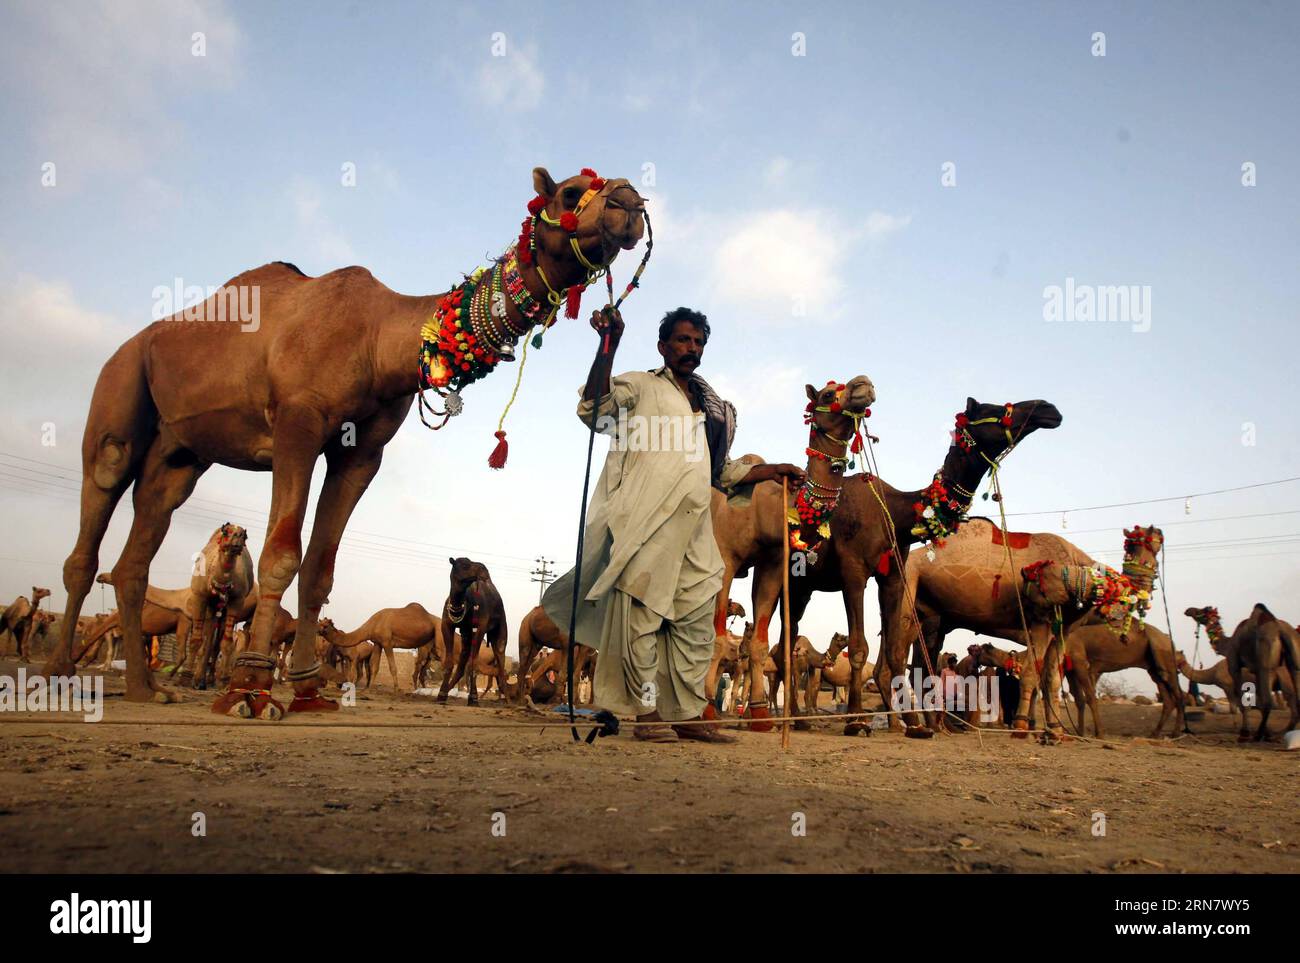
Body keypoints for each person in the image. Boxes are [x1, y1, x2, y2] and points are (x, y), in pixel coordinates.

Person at [542, 306, 803, 743]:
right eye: (683, 340)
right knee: (642, 617)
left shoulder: (711, 406)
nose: (691, 348)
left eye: (698, 342)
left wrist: (772, 468)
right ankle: (647, 714)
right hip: (647, 520)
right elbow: (595, 410)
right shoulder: (640, 386)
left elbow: (720, 472)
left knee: (699, 618)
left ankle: (684, 710)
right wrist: (608, 345)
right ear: (664, 346)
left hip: (696, 526)